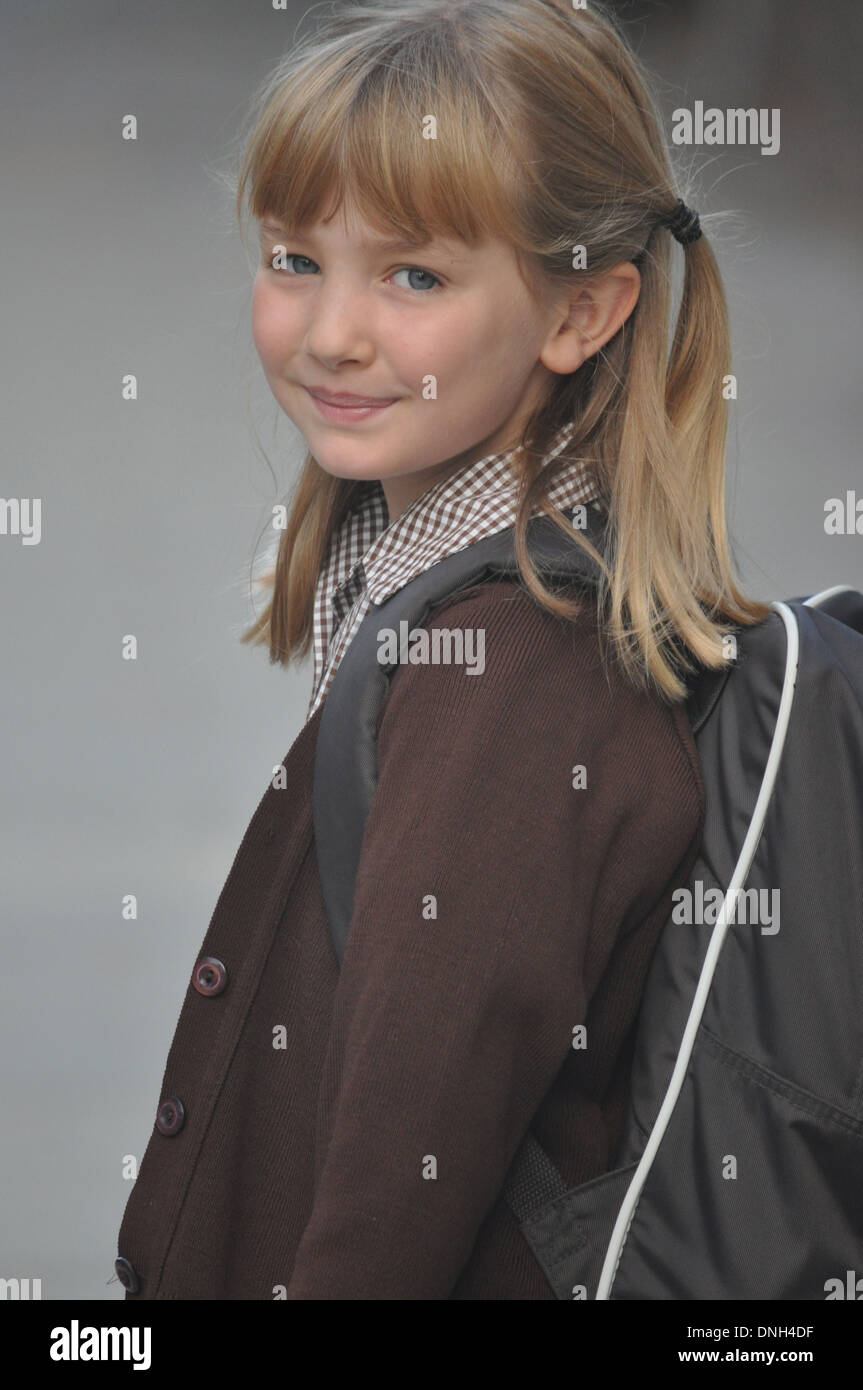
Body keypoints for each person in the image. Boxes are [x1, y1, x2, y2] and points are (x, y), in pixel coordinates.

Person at [115, 0, 771, 1300]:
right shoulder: (432, 597)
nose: (331, 330)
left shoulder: (515, 683)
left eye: (413, 275)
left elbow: (394, 1188)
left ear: (581, 315)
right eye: (296, 257)